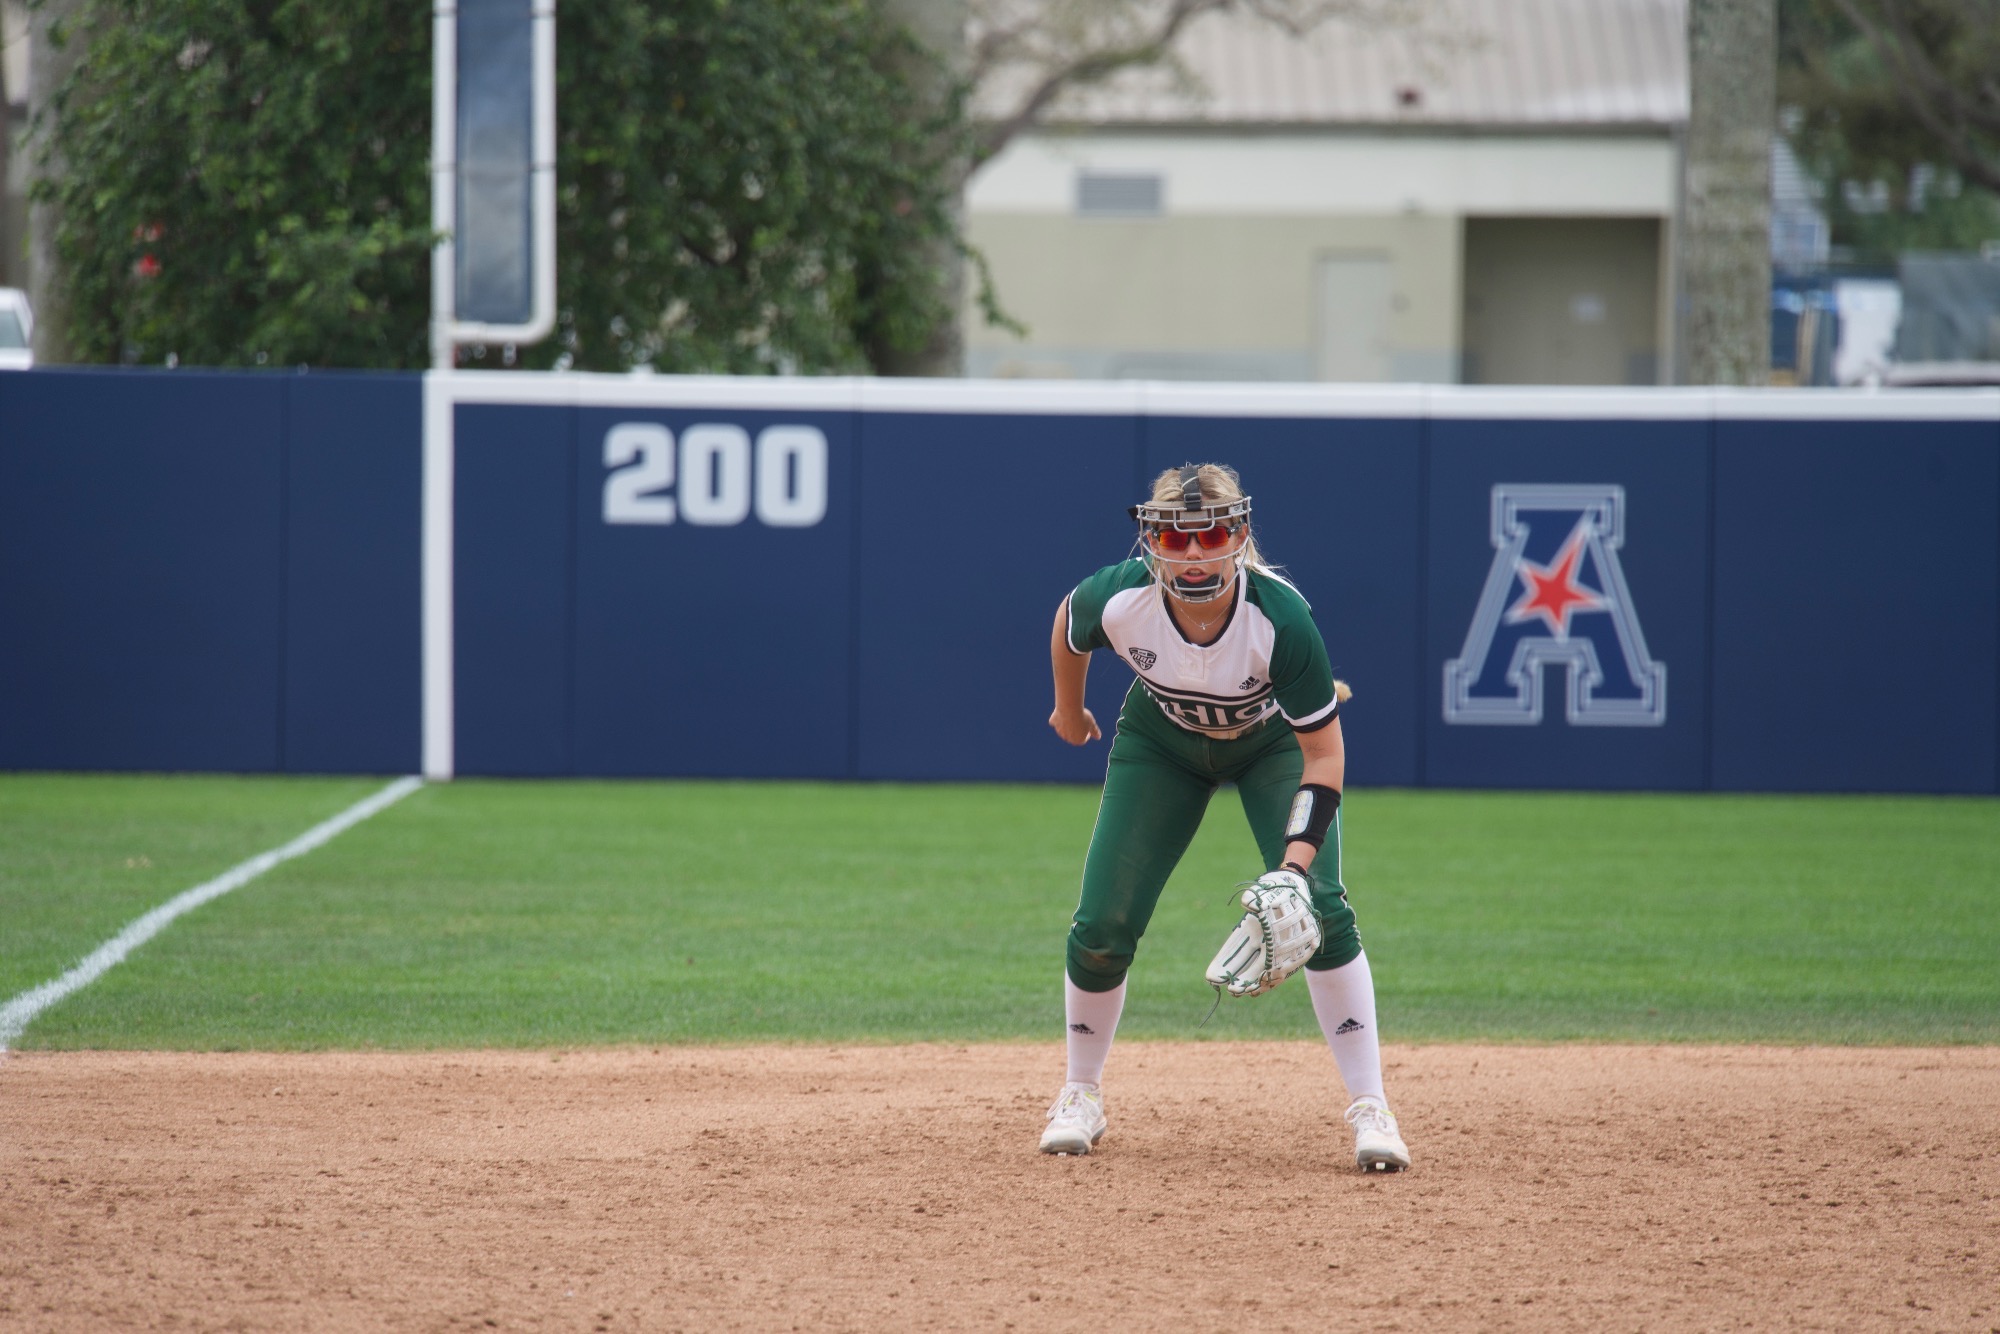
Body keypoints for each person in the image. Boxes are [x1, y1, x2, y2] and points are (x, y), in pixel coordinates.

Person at [1040, 462, 1411, 1172]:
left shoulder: (1280, 619)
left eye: (1210, 535)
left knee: (1322, 909)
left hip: (1272, 746)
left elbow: (1324, 759)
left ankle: (1372, 1106)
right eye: (1174, 542)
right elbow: (1069, 622)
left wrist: (1293, 870)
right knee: (1103, 923)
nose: (1194, 554)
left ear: (1239, 535)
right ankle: (1080, 1093)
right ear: (1149, 545)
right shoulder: (1119, 599)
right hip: (1160, 743)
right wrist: (1067, 707)